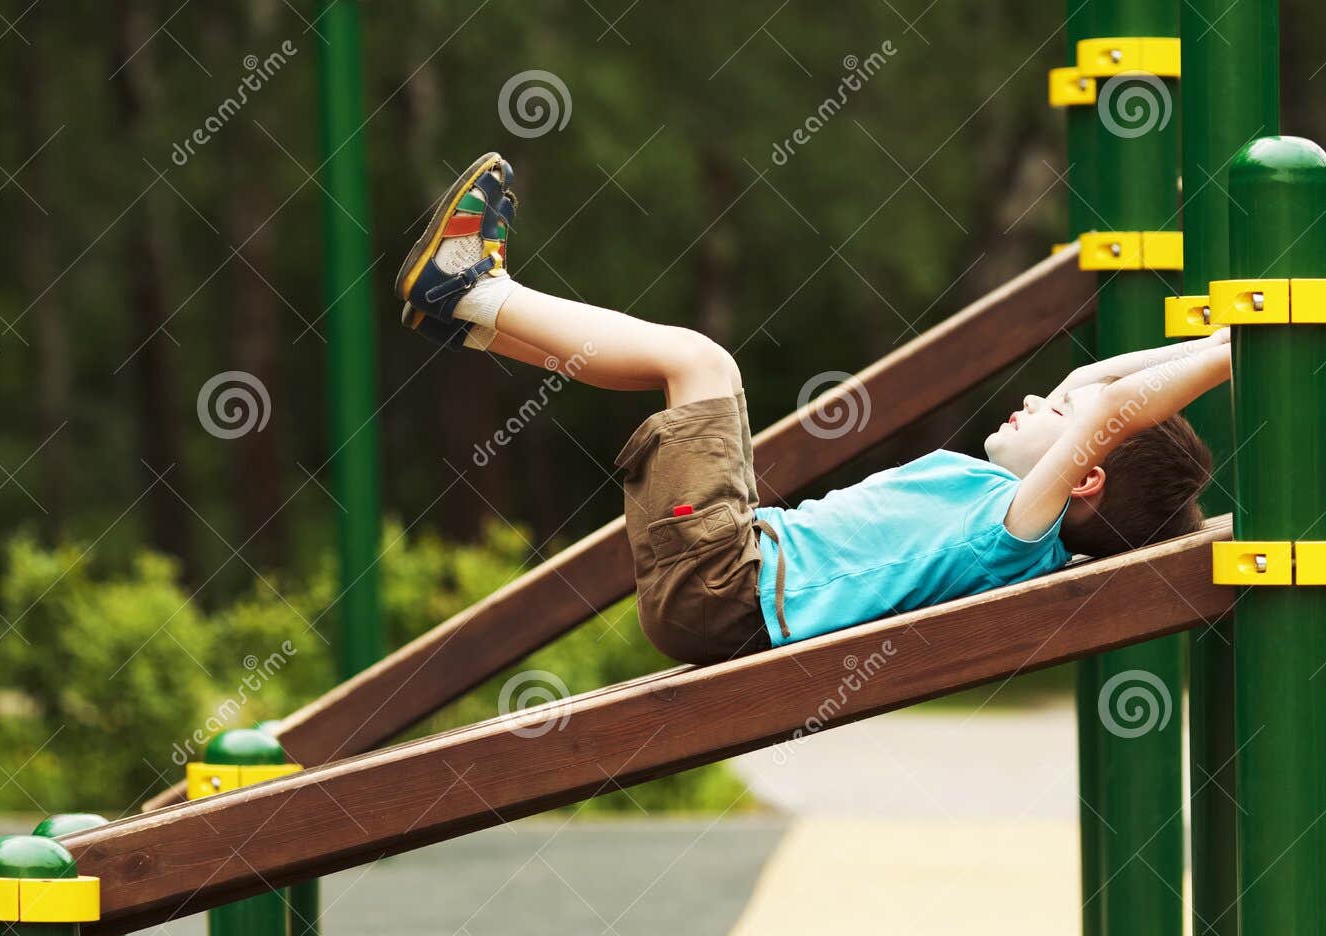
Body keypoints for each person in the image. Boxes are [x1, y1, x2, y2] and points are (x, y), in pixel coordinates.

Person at [396, 152, 1230, 664]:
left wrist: (1240, 350)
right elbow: (1102, 394)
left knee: (696, 359)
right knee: (690, 362)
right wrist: (1219, 334)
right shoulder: (1014, 510)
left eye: (1052, 412)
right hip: (724, 576)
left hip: (725, 584)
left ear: (1083, 479)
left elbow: (1109, 409)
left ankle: (471, 292)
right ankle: (466, 312)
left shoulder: (1013, 531)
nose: (1040, 398)